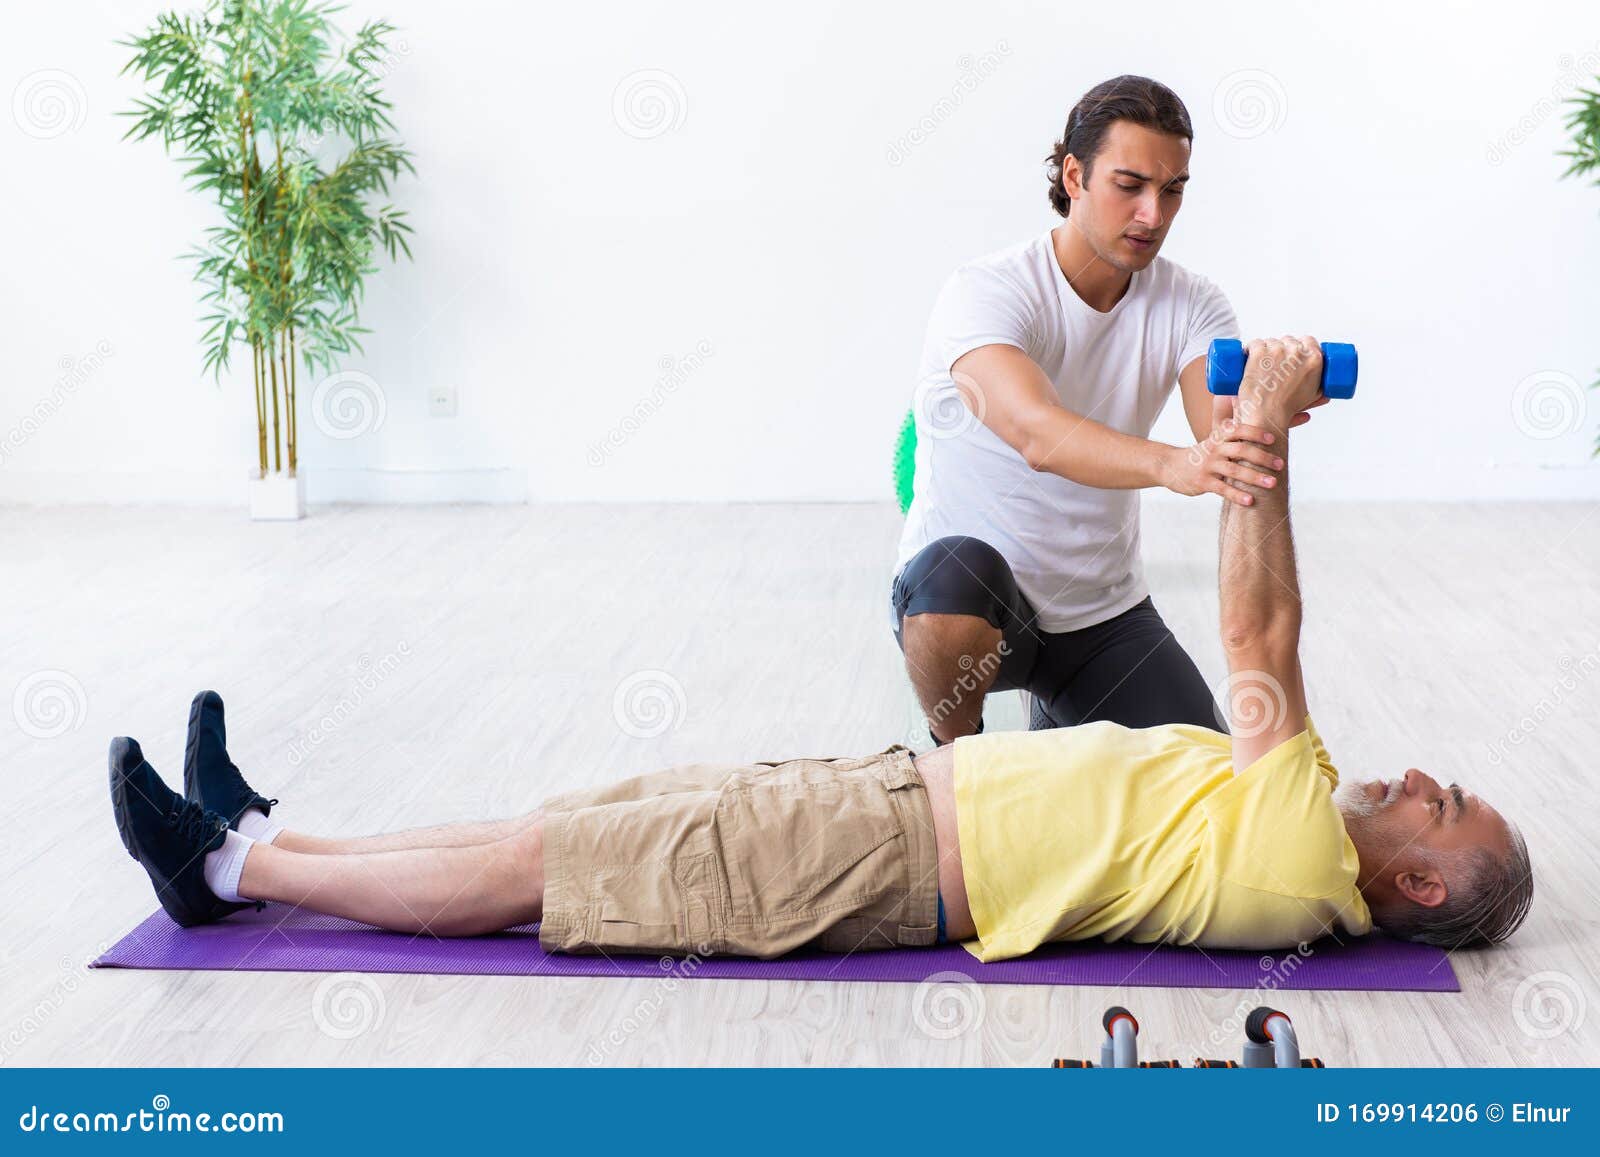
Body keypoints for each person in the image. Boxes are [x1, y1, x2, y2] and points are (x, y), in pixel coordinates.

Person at [109, 340, 1532, 960]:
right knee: (562, 823)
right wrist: (1255, 435)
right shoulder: (1314, 815)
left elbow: (1256, 626)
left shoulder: (1301, 858)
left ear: (1416, 879)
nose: (1418, 775)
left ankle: (224, 868)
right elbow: (1271, 617)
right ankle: (267, 828)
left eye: (1442, 802)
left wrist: (1263, 424)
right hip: (886, 802)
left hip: (880, 866)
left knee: (547, 875)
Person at [893, 74, 1322, 744]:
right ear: (1073, 176)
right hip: (975, 605)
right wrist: (1176, 466)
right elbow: (1035, 431)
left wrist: (1268, 398)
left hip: (1102, 618)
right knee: (955, 583)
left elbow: (1222, 434)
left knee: (1206, 787)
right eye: (1130, 186)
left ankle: (1059, 723)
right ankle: (954, 754)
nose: (1154, 213)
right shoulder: (986, 291)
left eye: (1173, 189)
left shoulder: (1194, 304)